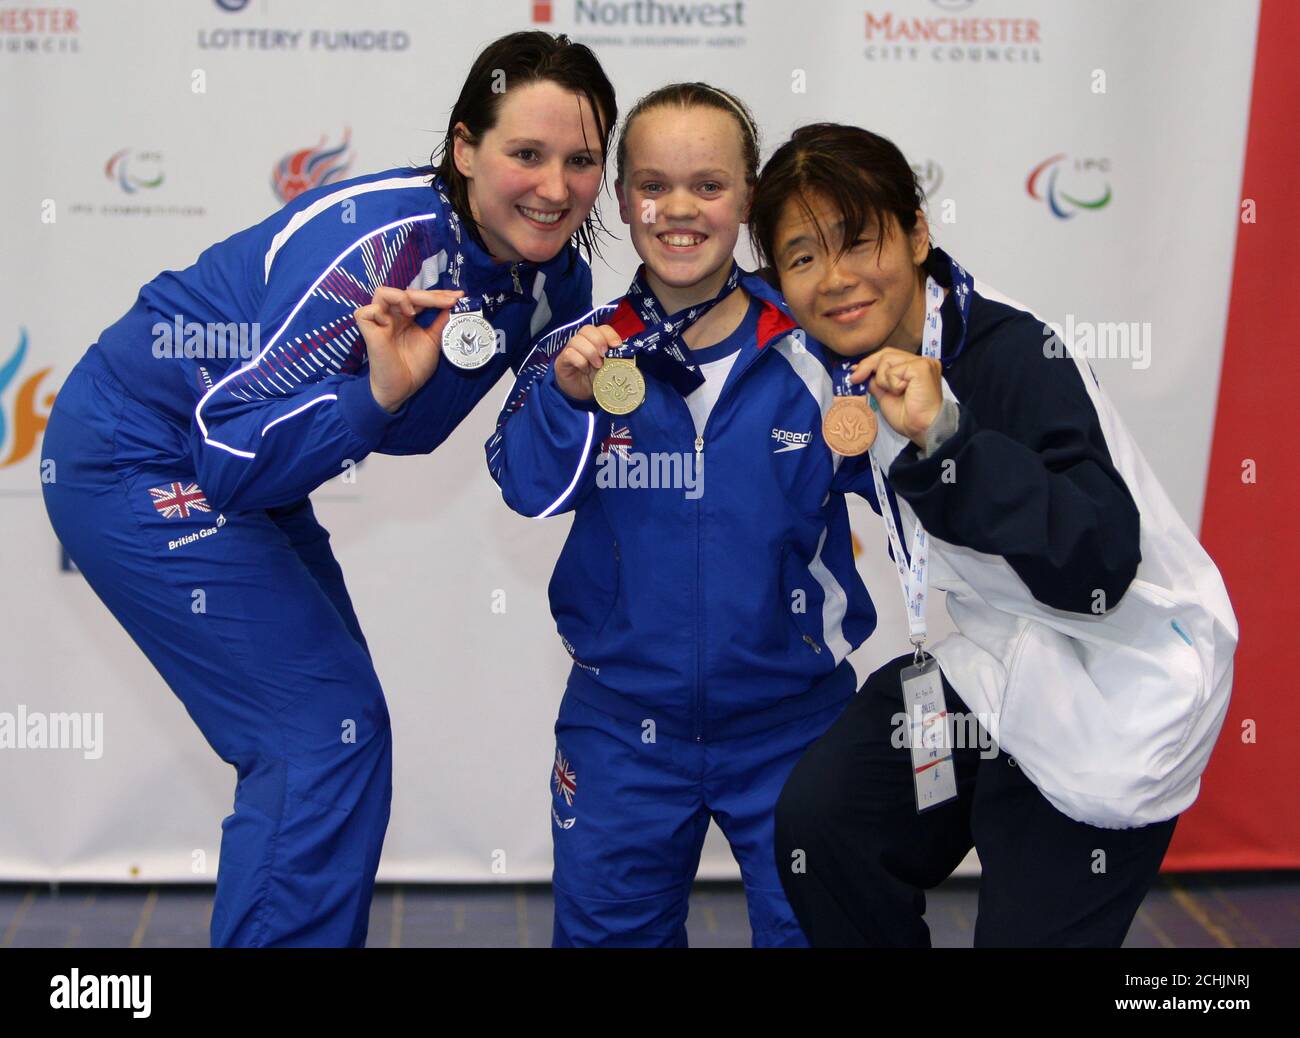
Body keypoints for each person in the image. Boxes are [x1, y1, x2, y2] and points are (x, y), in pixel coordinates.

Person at [39, 31, 616, 948]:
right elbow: (231, 453)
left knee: (343, 731)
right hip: (139, 455)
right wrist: (381, 389)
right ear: (465, 148)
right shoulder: (372, 250)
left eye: (582, 160)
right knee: (318, 737)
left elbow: (537, 464)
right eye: (526, 154)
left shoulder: (553, 277)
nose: (554, 187)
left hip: (244, 467)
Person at [747, 123, 1237, 947]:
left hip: (1119, 682)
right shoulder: (850, 368)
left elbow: (1101, 564)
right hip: (997, 661)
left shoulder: (1013, 353)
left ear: (916, 232)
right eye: (801, 259)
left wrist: (947, 438)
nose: (834, 280)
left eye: (858, 242)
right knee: (826, 823)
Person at [486, 85, 879, 947]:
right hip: (623, 730)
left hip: (795, 726)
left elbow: (912, 501)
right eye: (654, 185)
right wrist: (570, 402)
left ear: (747, 201)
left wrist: (926, 425)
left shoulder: (819, 354)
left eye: (709, 185)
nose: (680, 210)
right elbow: (525, 488)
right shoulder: (581, 350)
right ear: (624, 200)